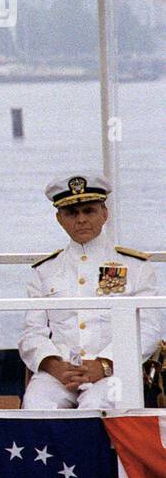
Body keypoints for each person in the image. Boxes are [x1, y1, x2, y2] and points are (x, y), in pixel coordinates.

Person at [20, 173, 160, 410]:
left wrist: (105, 364)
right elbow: (31, 332)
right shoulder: (44, 271)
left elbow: (149, 328)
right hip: (59, 371)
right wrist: (55, 366)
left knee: (96, 407)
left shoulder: (136, 267)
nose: (81, 219)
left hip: (115, 371)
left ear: (104, 214)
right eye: (72, 213)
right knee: (36, 406)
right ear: (59, 219)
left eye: (89, 211)